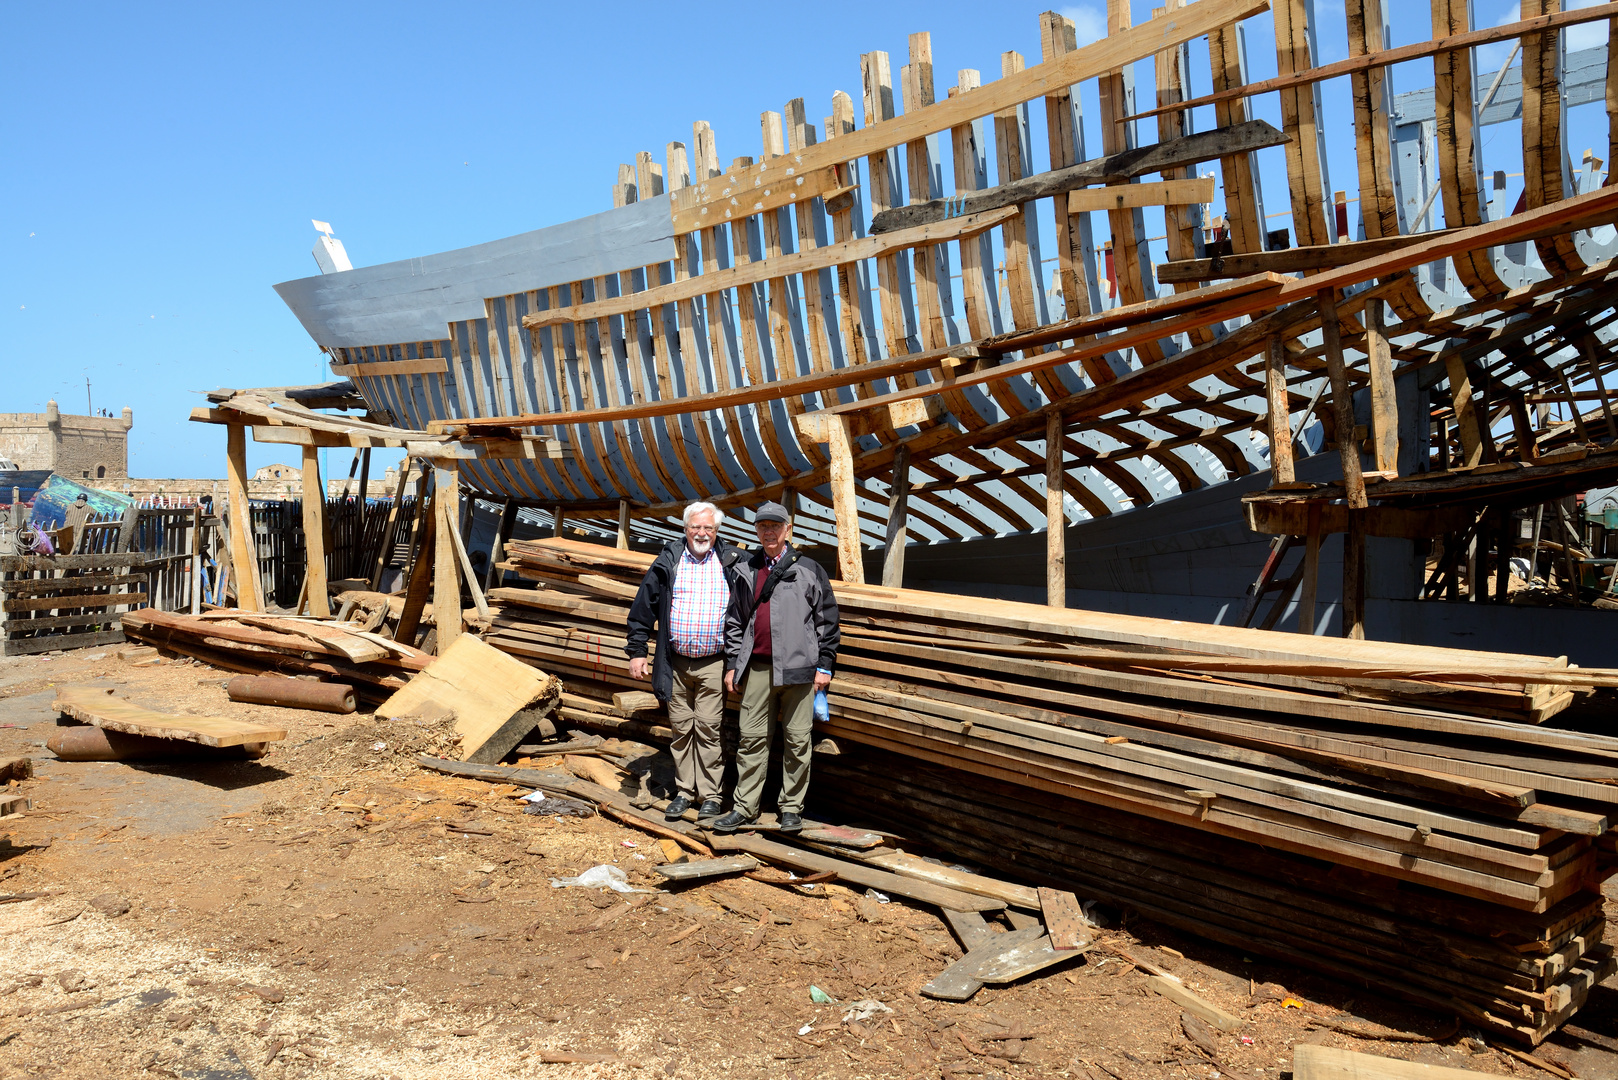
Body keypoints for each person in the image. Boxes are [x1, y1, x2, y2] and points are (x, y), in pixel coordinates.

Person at [713, 501, 839, 834]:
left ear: (788, 529)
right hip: (756, 669)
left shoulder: (810, 569)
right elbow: (735, 620)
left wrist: (825, 665)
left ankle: (791, 809)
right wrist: (731, 665)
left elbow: (828, 621)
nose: (769, 531)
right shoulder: (747, 569)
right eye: (762, 526)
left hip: (800, 671)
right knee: (751, 740)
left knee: (798, 741)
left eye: (775, 526)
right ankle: (744, 808)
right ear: (756, 531)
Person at [625, 502, 744, 821]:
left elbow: (748, 614)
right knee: (681, 729)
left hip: (713, 662)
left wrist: (737, 662)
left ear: (717, 530)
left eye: (709, 528)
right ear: (685, 528)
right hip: (674, 662)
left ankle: (710, 796)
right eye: (696, 527)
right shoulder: (669, 559)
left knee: (707, 729)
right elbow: (643, 608)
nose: (702, 533)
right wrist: (638, 651)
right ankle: (684, 792)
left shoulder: (732, 561)